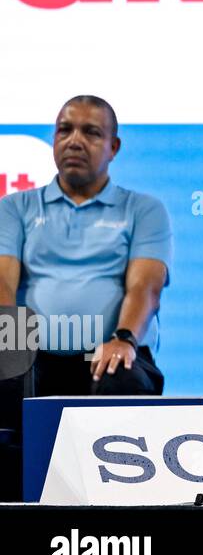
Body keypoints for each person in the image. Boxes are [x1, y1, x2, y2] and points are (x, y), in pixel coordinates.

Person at [0, 95, 171, 397]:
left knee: (120, 378)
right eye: (65, 131)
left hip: (110, 349)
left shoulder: (143, 209)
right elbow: (3, 281)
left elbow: (146, 286)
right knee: (8, 379)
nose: (74, 141)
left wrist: (124, 340)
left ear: (113, 147)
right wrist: (13, 352)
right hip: (35, 354)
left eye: (91, 132)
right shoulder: (15, 207)